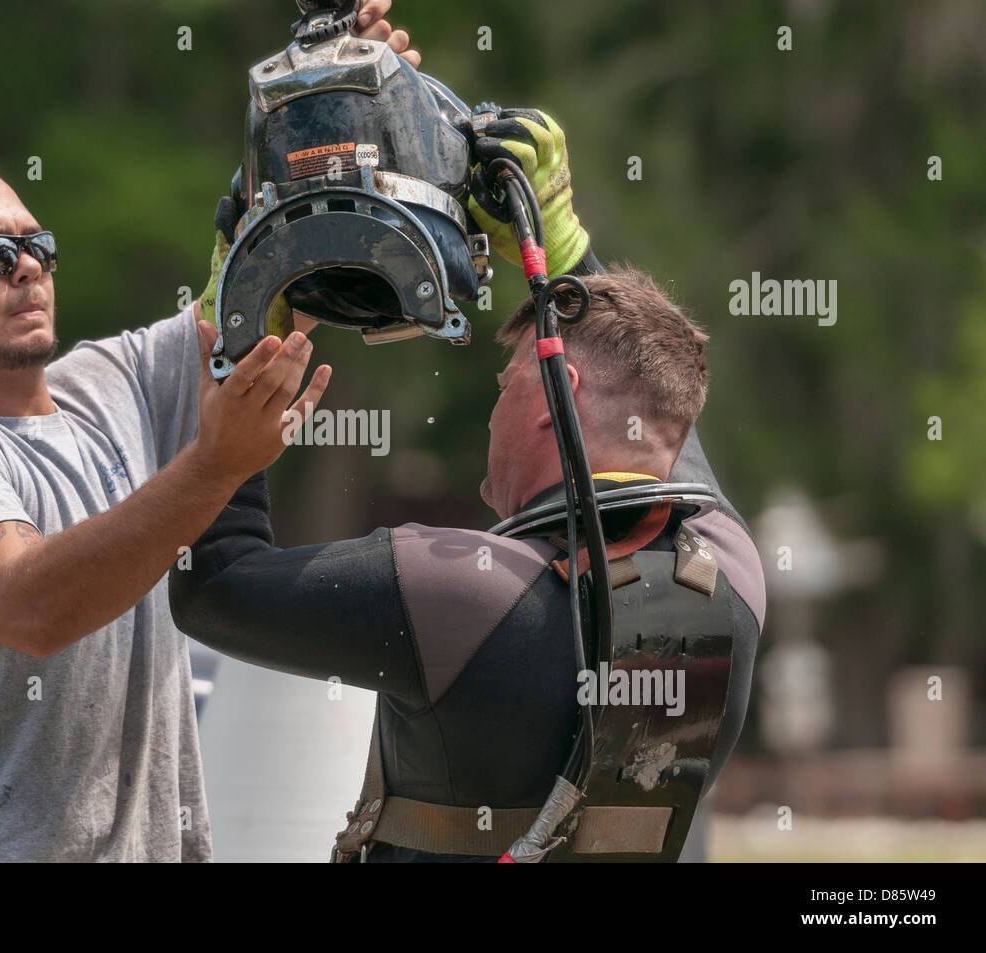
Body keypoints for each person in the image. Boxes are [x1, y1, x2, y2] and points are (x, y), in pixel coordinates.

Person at [0, 1, 418, 860]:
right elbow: (33, 606)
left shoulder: (113, 380)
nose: (27, 265)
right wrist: (210, 468)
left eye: (36, 243)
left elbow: (262, 277)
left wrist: (336, 97)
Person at [169, 109, 766, 862]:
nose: (493, 408)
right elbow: (658, 409)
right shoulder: (733, 579)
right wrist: (557, 236)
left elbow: (211, 586)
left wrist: (236, 338)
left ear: (556, 395)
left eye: (507, 381)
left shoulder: (459, 593)